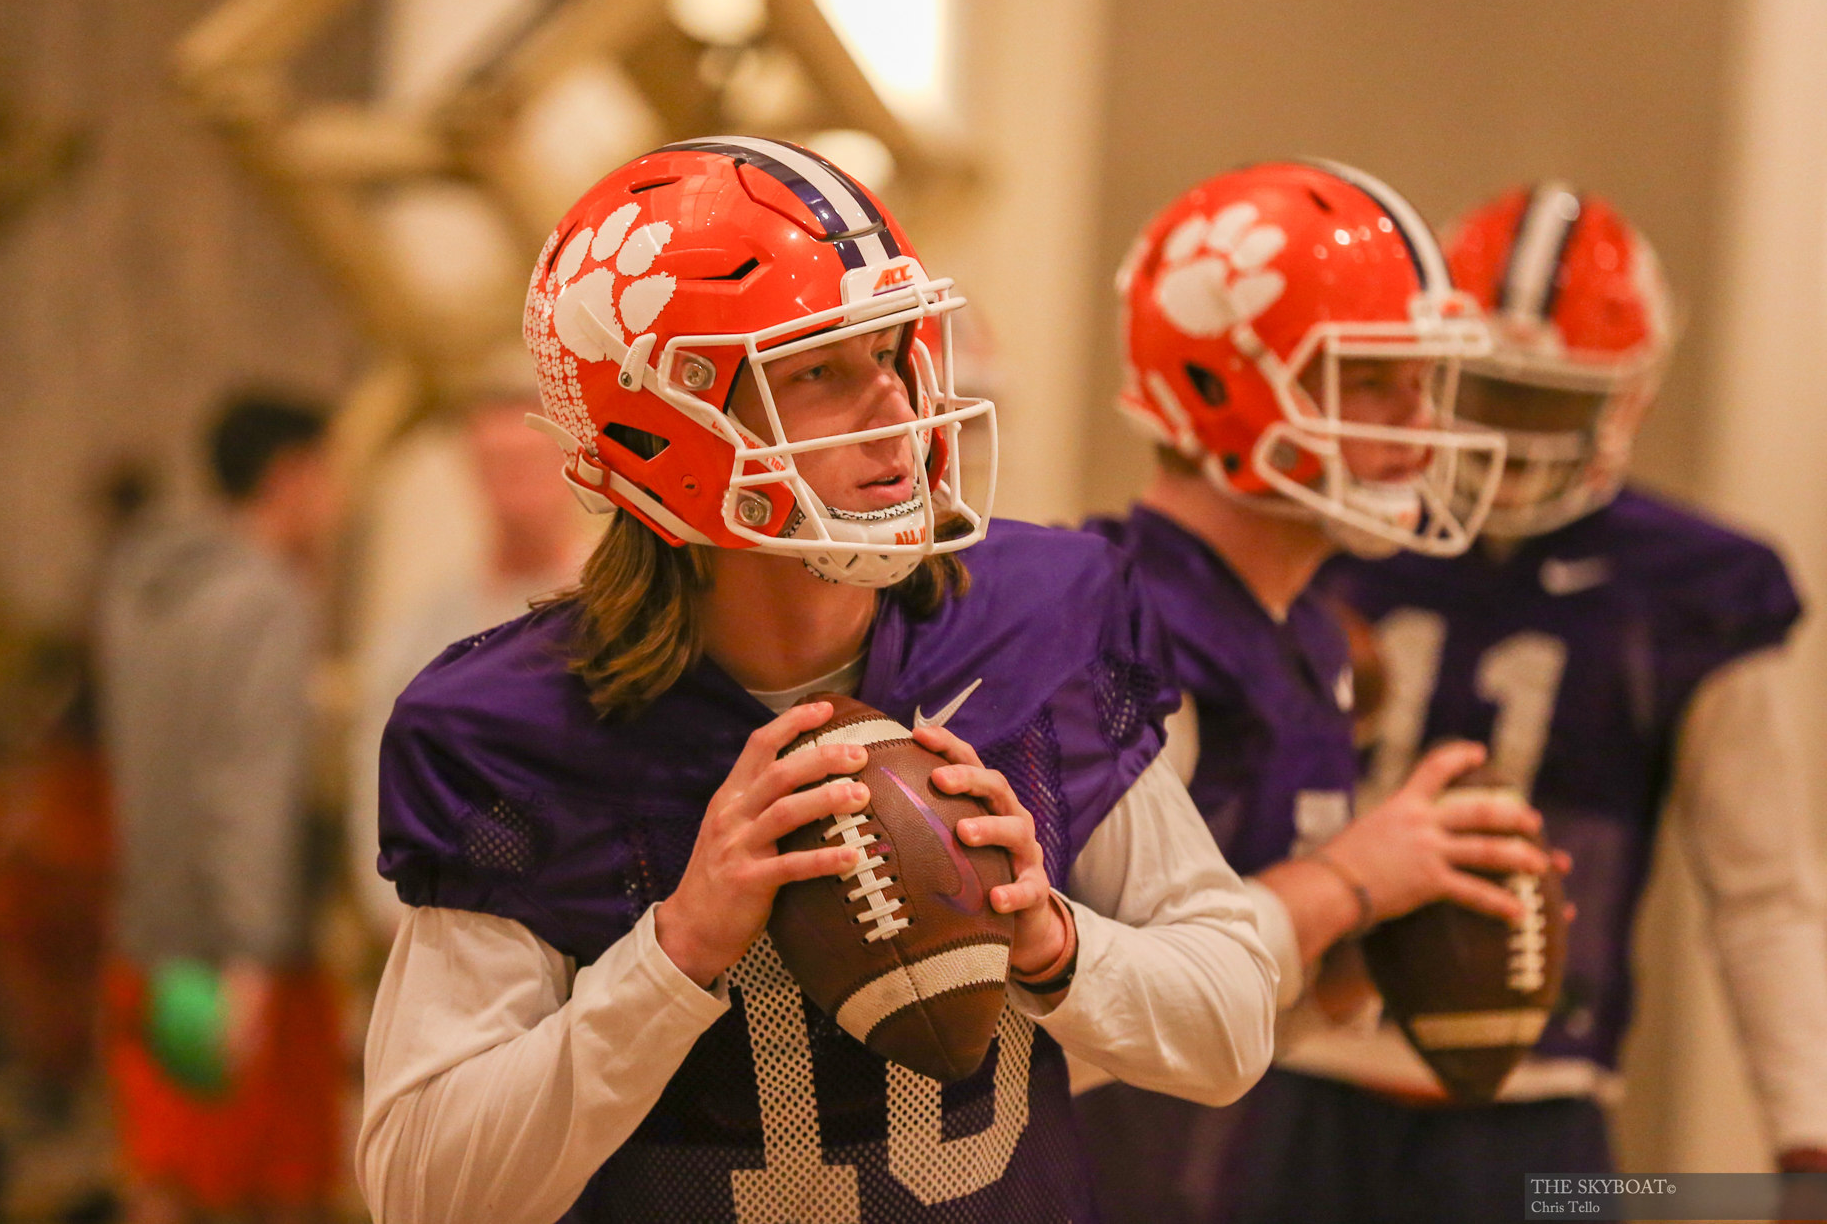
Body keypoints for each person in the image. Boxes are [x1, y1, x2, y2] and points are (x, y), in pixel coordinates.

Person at [355, 136, 1279, 1224]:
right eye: (817, 371)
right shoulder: (517, 730)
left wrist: (1049, 938)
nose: (894, 408)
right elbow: (424, 1192)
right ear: (663, 426)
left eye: (892, 352)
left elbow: (1232, 1026)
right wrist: (675, 952)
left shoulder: (1035, 622)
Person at [1310, 185, 1827, 1200]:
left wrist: (1807, 1138)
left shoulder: (1694, 587)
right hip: (1295, 1068)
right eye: (1491, 393)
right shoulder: (1330, 531)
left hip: (1536, 1102)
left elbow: (1763, 890)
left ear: (1625, 399)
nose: (1511, 439)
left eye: (1547, 403)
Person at [1073, 160, 1564, 1224]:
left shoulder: (1304, 634)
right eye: (1371, 379)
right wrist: (1347, 880)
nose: (1418, 419)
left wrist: (1371, 952)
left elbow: (1225, 1028)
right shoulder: (1108, 630)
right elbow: (1062, 1008)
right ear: (1222, 388)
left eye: (1421, 380)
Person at [96, 393, 343, 1224]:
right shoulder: (266, 598)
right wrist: (249, 952)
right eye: (330, 477)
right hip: (251, 949)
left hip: (147, 934)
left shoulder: (141, 587)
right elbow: (248, 781)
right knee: (280, 1187)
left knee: (164, 1177)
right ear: (290, 477)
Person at [346, 388, 593, 942]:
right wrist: (392, 904)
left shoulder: (617, 609)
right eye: (497, 464)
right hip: (455, 924)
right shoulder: (428, 625)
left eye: (528, 462)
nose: (515, 484)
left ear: (566, 463)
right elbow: (381, 763)